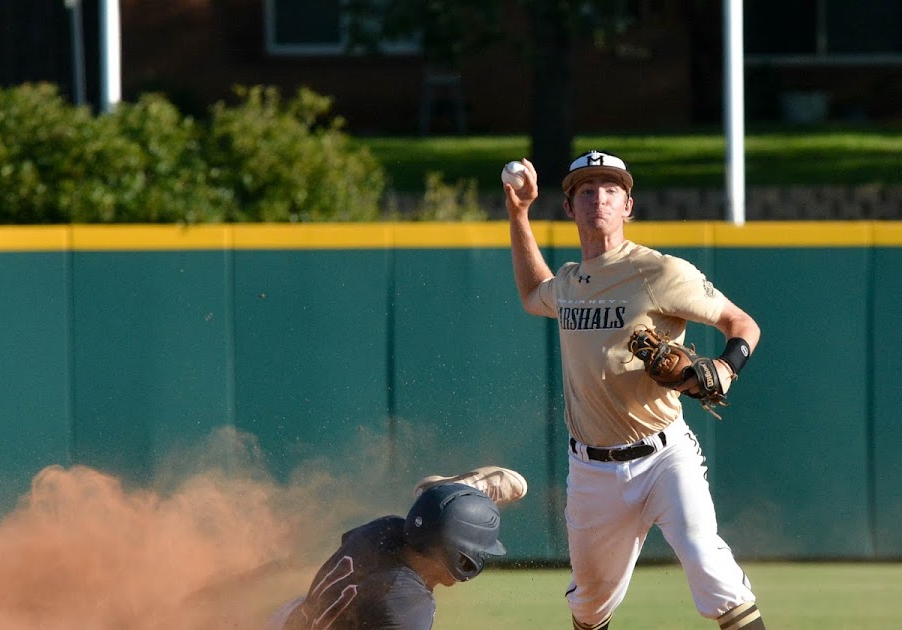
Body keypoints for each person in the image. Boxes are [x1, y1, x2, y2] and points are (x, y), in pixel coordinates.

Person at [503, 150, 766, 630]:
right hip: (592, 470)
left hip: (665, 456)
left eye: (610, 190)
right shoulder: (568, 284)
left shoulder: (659, 272)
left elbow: (741, 322)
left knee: (711, 568)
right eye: (586, 191)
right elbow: (529, 292)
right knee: (589, 606)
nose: (598, 199)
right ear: (569, 208)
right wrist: (519, 214)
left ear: (628, 205)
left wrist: (727, 367)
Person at [268, 466, 526, 630]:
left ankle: (452, 493)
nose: (477, 557)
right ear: (454, 555)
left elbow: (421, 526)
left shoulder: (383, 529)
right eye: (475, 551)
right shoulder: (408, 610)